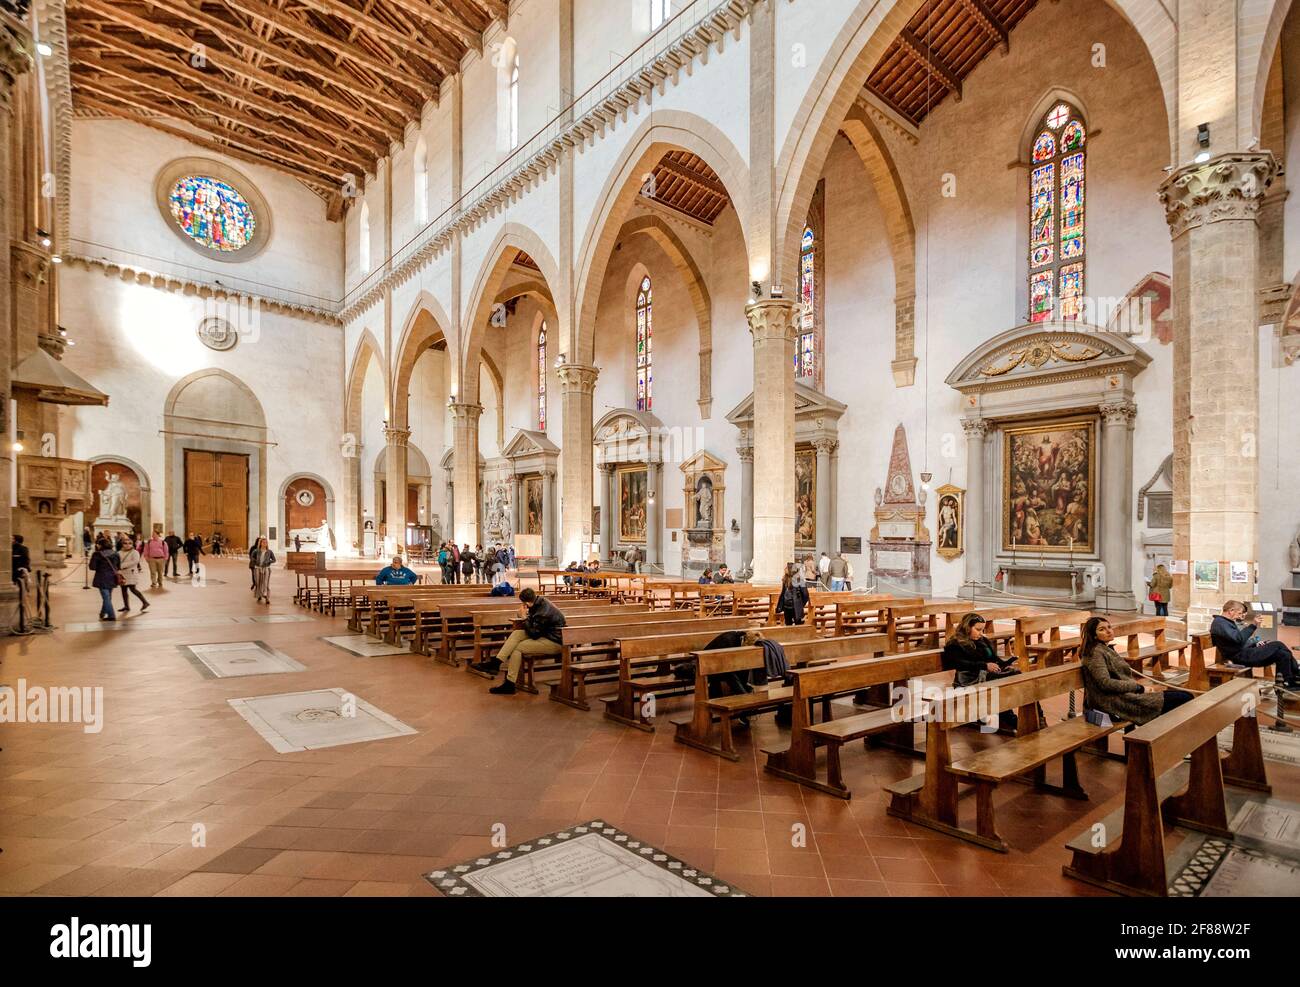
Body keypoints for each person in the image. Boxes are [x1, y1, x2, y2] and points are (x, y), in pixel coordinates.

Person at [1079, 615, 1193, 724]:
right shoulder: (1095, 653)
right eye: (1102, 629)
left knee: (1184, 695)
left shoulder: (1104, 648)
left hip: (1125, 695)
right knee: (1183, 698)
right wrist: (1140, 688)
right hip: (1115, 701)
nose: (1109, 631)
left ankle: (1161, 735)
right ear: (1094, 635)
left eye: (1109, 627)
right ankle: (1156, 736)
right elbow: (1105, 683)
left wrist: (1138, 688)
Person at [474, 587, 567, 695]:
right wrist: (526, 616)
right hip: (546, 635)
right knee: (517, 633)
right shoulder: (539, 602)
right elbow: (535, 626)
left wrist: (524, 617)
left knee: (517, 648)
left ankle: (508, 683)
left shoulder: (543, 611)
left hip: (556, 642)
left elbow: (534, 634)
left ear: (526, 602)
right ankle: (496, 664)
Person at [1211, 601, 1300, 690]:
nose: (1240, 616)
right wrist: (1253, 625)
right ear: (1231, 610)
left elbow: (1237, 642)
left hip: (1244, 653)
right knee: (1278, 644)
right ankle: (1296, 674)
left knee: (1283, 654)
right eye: (1239, 613)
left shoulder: (1225, 622)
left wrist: (1255, 644)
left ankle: (1286, 683)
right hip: (1238, 657)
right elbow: (1238, 639)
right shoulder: (1220, 623)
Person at [88, 535, 122, 622]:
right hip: (112, 577)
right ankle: (102, 613)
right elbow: (118, 566)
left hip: (102, 577)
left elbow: (92, 567)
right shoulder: (115, 553)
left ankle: (111, 615)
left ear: (100, 545)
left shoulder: (97, 554)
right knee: (107, 597)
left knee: (106, 597)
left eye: (98, 544)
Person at [117, 539, 150, 613]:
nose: (127, 545)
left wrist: (121, 566)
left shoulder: (135, 552)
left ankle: (145, 602)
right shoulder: (119, 552)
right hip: (122, 573)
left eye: (129, 543)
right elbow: (116, 561)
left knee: (133, 589)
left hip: (131, 573)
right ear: (122, 544)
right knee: (123, 590)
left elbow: (135, 561)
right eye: (125, 543)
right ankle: (126, 606)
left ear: (132, 544)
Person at [250, 537, 275, 604]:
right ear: (260, 543)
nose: (265, 544)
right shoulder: (256, 551)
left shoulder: (269, 552)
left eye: (266, 542)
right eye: (263, 542)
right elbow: (251, 557)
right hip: (257, 568)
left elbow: (274, 560)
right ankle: (259, 595)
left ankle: (267, 598)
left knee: (265, 583)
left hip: (266, 568)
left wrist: (269, 562)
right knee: (258, 582)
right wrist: (255, 561)